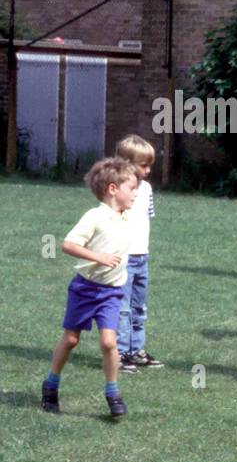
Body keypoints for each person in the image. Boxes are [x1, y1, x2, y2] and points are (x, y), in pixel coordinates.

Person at [41, 157, 138, 418]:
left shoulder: (128, 216)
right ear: (112, 189)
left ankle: (113, 392)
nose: (136, 193)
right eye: (132, 187)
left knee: (109, 342)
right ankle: (51, 385)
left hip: (112, 292)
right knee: (71, 339)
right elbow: (68, 245)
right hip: (84, 289)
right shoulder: (94, 216)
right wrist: (99, 258)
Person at [113, 134, 163, 372]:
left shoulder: (147, 189)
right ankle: (120, 353)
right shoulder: (116, 190)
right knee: (122, 308)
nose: (148, 170)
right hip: (123, 257)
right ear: (125, 163)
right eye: (143, 165)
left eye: (149, 165)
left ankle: (137, 350)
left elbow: (147, 217)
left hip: (142, 256)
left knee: (139, 307)